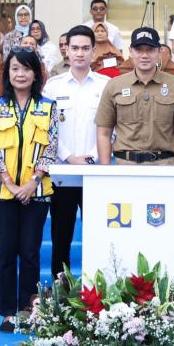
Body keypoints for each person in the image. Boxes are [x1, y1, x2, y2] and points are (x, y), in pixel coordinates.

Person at [0, 47, 58, 333]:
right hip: (2, 193)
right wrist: (11, 184)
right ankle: (7, 312)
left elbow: (50, 147)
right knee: (6, 252)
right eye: (15, 68)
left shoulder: (48, 106)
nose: (21, 74)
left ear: (36, 73)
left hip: (36, 192)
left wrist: (32, 183)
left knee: (30, 252)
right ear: (7, 73)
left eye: (26, 69)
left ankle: (28, 309)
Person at [43, 25, 109, 279]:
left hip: (97, 170)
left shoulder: (106, 85)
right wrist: (70, 156)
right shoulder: (53, 87)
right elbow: (48, 129)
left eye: (85, 48)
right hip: (63, 171)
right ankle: (63, 288)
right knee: (61, 234)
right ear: (66, 51)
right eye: (74, 48)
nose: (79, 53)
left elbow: (111, 128)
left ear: (93, 51)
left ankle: (99, 288)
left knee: (98, 232)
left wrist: (92, 155)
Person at [95, 27, 174, 165]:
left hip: (165, 167)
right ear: (130, 51)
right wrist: (105, 173)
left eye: (150, 50)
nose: (144, 55)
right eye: (139, 50)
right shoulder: (114, 86)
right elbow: (103, 133)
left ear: (159, 52)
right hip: (125, 167)